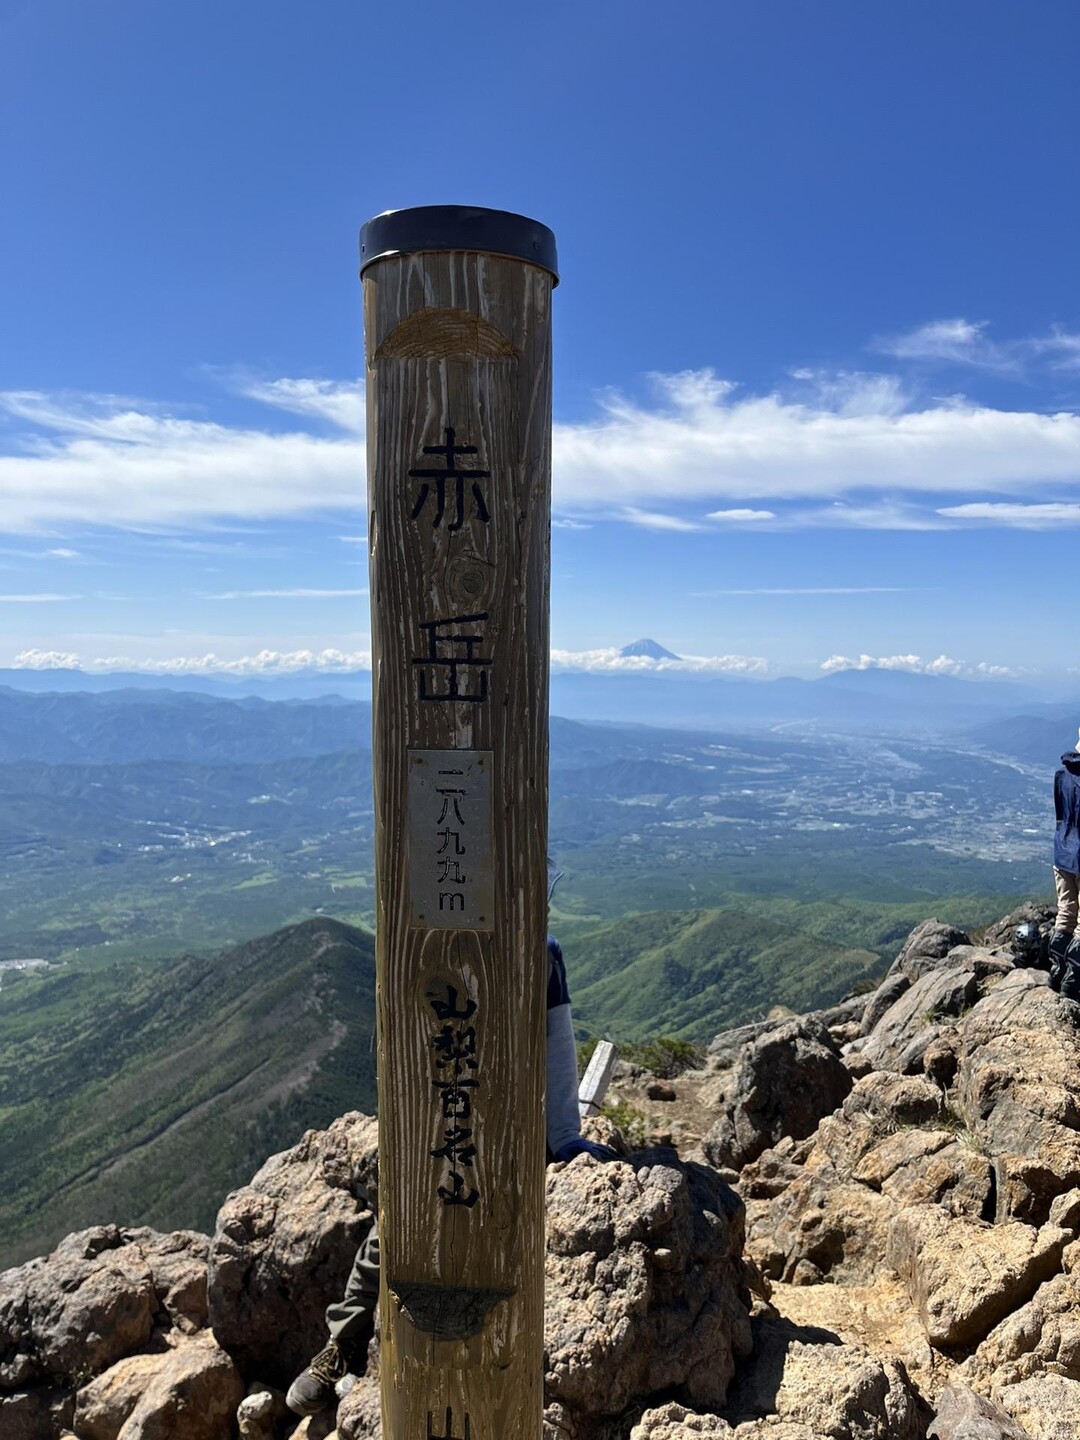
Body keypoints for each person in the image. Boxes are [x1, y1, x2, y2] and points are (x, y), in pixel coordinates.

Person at [285, 931, 617, 1417]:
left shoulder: (536, 950)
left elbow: (556, 1040)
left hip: (509, 1134)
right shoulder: (419, 943)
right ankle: (347, 1343)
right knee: (390, 1232)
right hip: (435, 1125)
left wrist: (565, 1135)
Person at [1050, 733, 1080, 997]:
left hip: (1062, 851)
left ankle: (1057, 970)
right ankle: (1073, 982)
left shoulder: (1062, 775)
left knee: (1066, 913)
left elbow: (1061, 813)